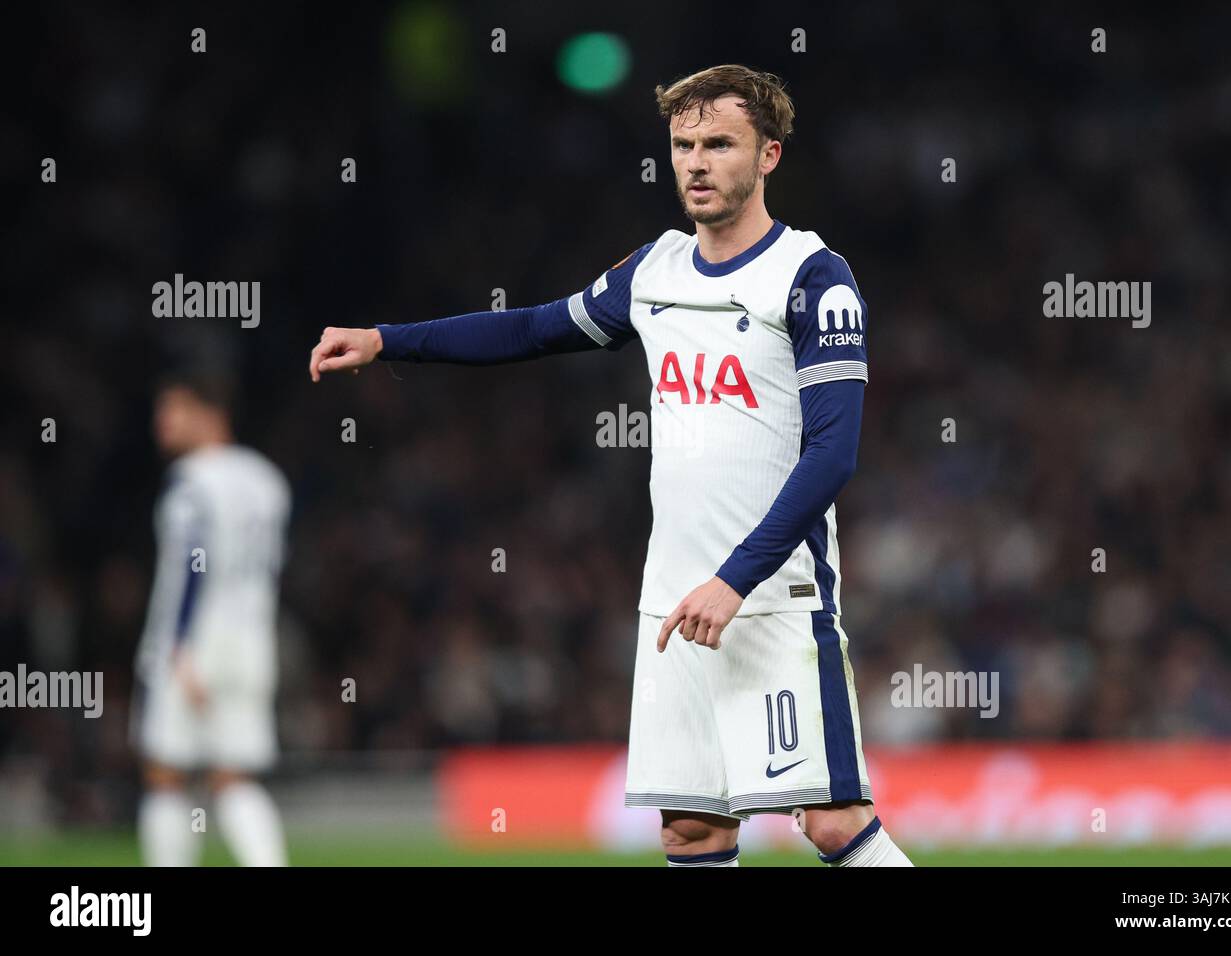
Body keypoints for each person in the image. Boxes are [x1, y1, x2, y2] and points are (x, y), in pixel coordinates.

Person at [309, 64, 912, 867]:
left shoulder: (810, 277)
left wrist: (735, 579)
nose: (696, 163)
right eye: (682, 145)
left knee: (833, 821)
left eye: (720, 144)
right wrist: (389, 340)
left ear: (769, 155)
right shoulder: (653, 272)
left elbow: (833, 455)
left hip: (772, 598)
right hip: (673, 601)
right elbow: (532, 328)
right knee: (692, 830)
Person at [131, 372, 292, 866]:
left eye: (175, 408)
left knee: (164, 773)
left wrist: (179, 646)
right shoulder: (268, 480)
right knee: (235, 776)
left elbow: (190, 565)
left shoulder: (192, 482)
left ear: (210, 414)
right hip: (253, 640)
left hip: (194, 641)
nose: (163, 421)